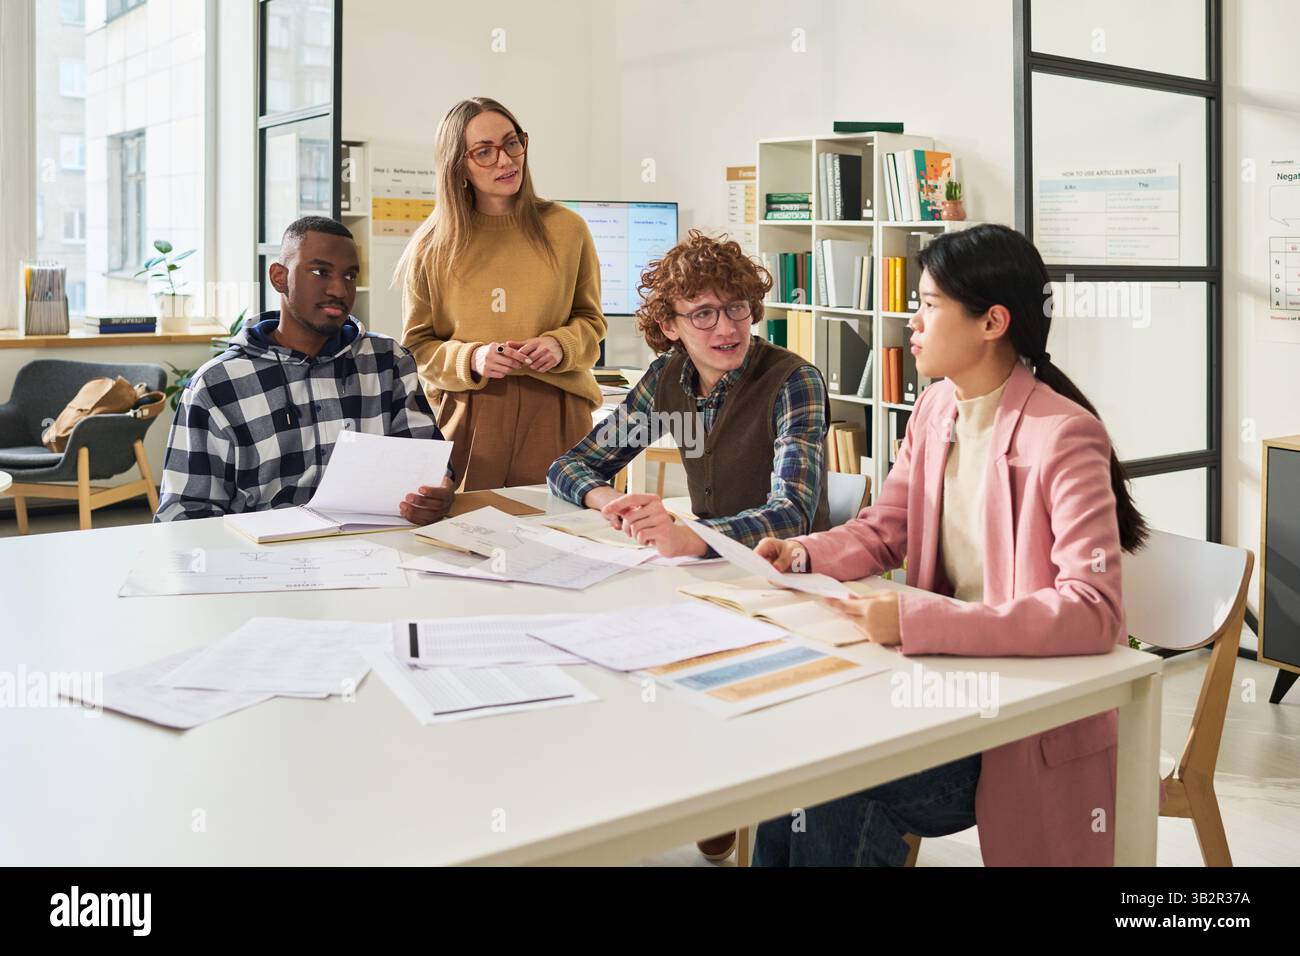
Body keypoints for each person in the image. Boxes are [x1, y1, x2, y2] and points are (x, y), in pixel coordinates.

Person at [753, 223, 1150, 867]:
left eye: (930, 304)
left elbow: (1092, 610)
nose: (913, 321)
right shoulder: (937, 407)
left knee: (832, 786)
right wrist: (802, 554)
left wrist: (917, 618)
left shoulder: (1065, 436)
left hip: (1017, 720)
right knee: (794, 752)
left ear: (992, 322)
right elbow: (886, 530)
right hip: (936, 687)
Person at [156, 216, 454, 524]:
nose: (340, 290)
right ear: (279, 278)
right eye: (320, 272)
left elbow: (427, 462)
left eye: (350, 276)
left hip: (376, 547)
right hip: (264, 562)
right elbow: (183, 514)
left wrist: (437, 490)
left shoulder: (388, 361)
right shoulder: (218, 384)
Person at [398, 97, 606, 490]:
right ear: (458, 164)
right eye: (484, 152)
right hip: (470, 415)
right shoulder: (431, 244)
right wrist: (471, 358)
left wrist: (561, 344)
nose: (506, 160)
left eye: (513, 143)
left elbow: (592, 322)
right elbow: (416, 348)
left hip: (559, 410)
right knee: (465, 542)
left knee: (563, 539)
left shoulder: (568, 228)